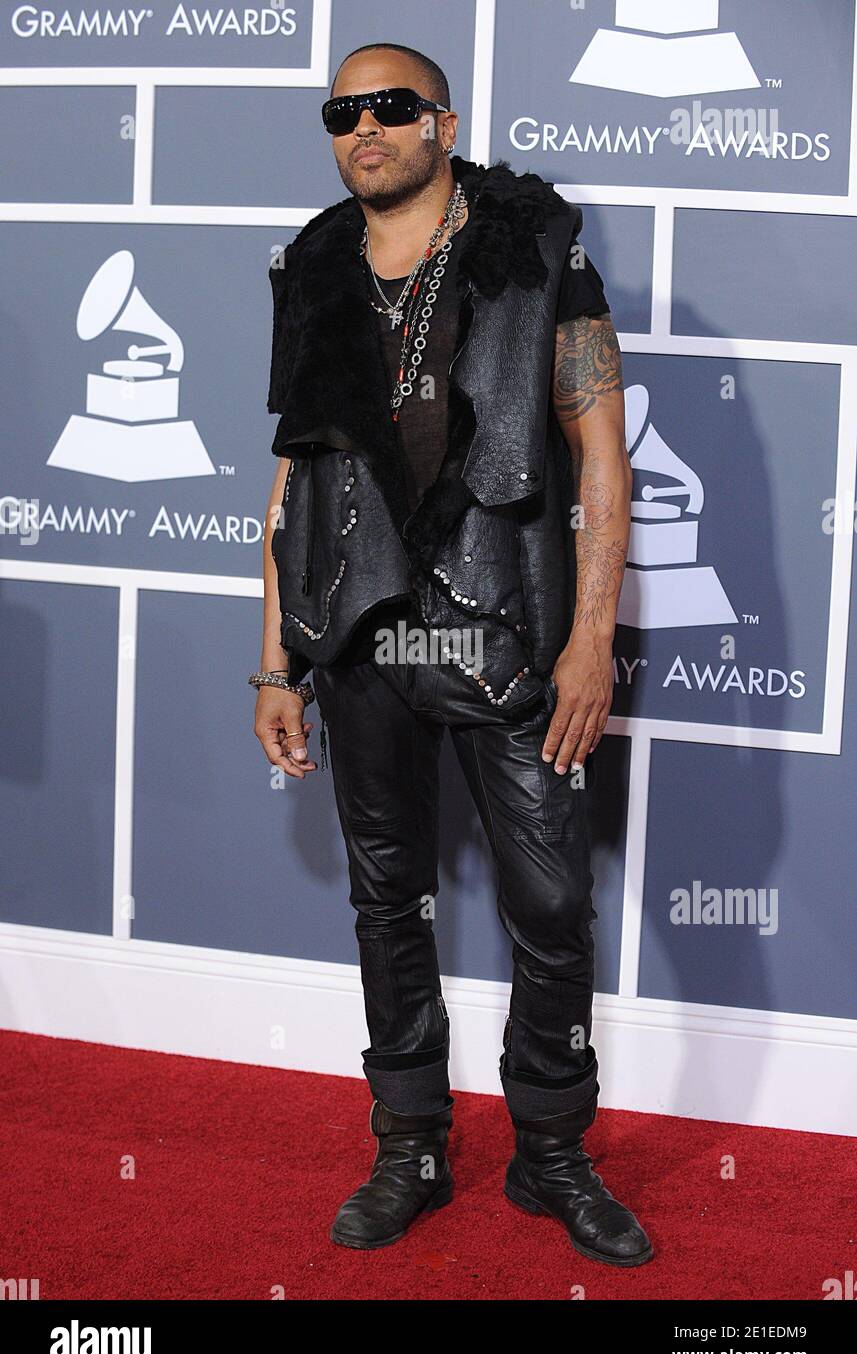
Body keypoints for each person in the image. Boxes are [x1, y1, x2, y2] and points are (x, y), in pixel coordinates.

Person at [252, 42, 652, 1266]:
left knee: (549, 906)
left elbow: (598, 456)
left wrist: (592, 641)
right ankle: (409, 1145)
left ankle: (549, 1158)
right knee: (387, 901)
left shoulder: (532, 248)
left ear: (442, 120)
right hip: (359, 628)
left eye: (388, 107)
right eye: (342, 111)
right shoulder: (317, 261)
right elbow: (294, 466)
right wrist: (274, 655)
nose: (362, 128)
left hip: (505, 630)